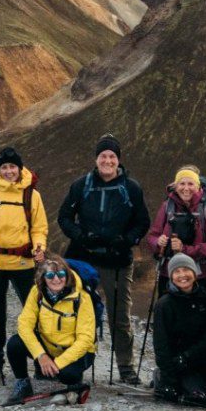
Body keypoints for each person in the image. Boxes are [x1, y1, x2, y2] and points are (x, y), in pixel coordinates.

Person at [56, 134, 151, 384]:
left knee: (119, 316)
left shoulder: (131, 188)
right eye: (103, 156)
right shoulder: (81, 186)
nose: (107, 161)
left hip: (117, 260)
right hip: (82, 258)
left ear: (118, 160)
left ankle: (126, 367)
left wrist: (126, 240)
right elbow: (64, 217)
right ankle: (69, 362)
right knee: (73, 311)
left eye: (111, 156)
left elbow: (142, 222)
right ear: (96, 159)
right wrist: (80, 236)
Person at [0, 147, 48, 383]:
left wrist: (39, 247)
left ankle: (39, 362)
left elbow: (39, 227)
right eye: (4, 167)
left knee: (33, 314)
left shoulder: (32, 195)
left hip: (24, 264)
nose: (8, 171)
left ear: (19, 168)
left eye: (12, 167)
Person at [5, 255, 97, 405]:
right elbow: (24, 325)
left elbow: (85, 339)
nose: (56, 279)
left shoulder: (82, 298)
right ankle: (23, 383)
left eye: (61, 274)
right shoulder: (37, 292)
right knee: (14, 344)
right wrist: (41, 355)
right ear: (43, 278)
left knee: (67, 375)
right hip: (48, 347)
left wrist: (57, 364)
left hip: (75, 351)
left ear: (67, 275)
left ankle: (72, 382)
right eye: (50, 275)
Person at [152, 254, 206, 407]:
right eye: (177, 271)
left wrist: (189, 356)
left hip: (198, 358)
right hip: (176, 363)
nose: (182, 275)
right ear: (171, 276)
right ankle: (160, 376)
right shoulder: (164, 304)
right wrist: (169, 378)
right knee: (200, 398)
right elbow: (161, 345)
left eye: (186, 270)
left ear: (195, 273)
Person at [144, 166, 206, 287]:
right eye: (182, 184)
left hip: (200, 275)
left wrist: (183, 249)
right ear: (176, 186)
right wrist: (158, 242)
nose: (186, 188)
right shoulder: (167, 206)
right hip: (169, 273)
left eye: (190, 184)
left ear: (198, 187)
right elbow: (152, 236)